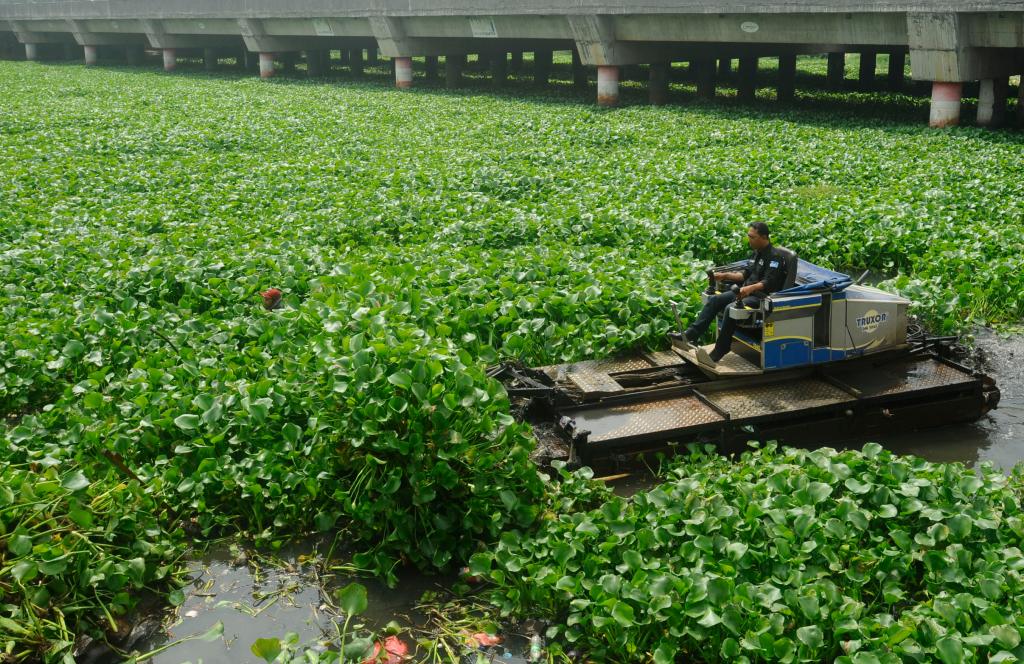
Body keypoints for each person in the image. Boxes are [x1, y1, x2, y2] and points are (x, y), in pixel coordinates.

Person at [677, 222, 787, 366]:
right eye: (749, 236)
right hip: (744, 292)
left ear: (764, 237)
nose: (749, 240)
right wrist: (724, 275)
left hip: (759, 297)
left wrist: (749, 289)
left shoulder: (775, 257)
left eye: (752, 237)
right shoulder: (756, 253)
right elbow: (745, 275)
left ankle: (720, 349)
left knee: (730, 308)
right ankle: (690, 335)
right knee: (715, 300)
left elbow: (769, 282)